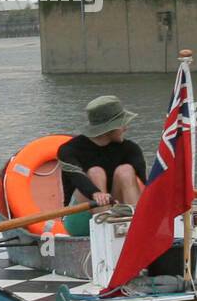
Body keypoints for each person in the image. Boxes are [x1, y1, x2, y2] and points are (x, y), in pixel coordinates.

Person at [58, 96, 146, 234]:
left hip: (117, 210)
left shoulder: (130, 149)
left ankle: (138, 230)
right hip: (80, 218)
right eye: (122, 124)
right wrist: (95, 193)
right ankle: (106, 233)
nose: (126, 128)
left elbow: (148, 182)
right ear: (109, 128)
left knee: (126, 170)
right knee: (95, 172)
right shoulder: (69, 150)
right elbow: (77, 178)